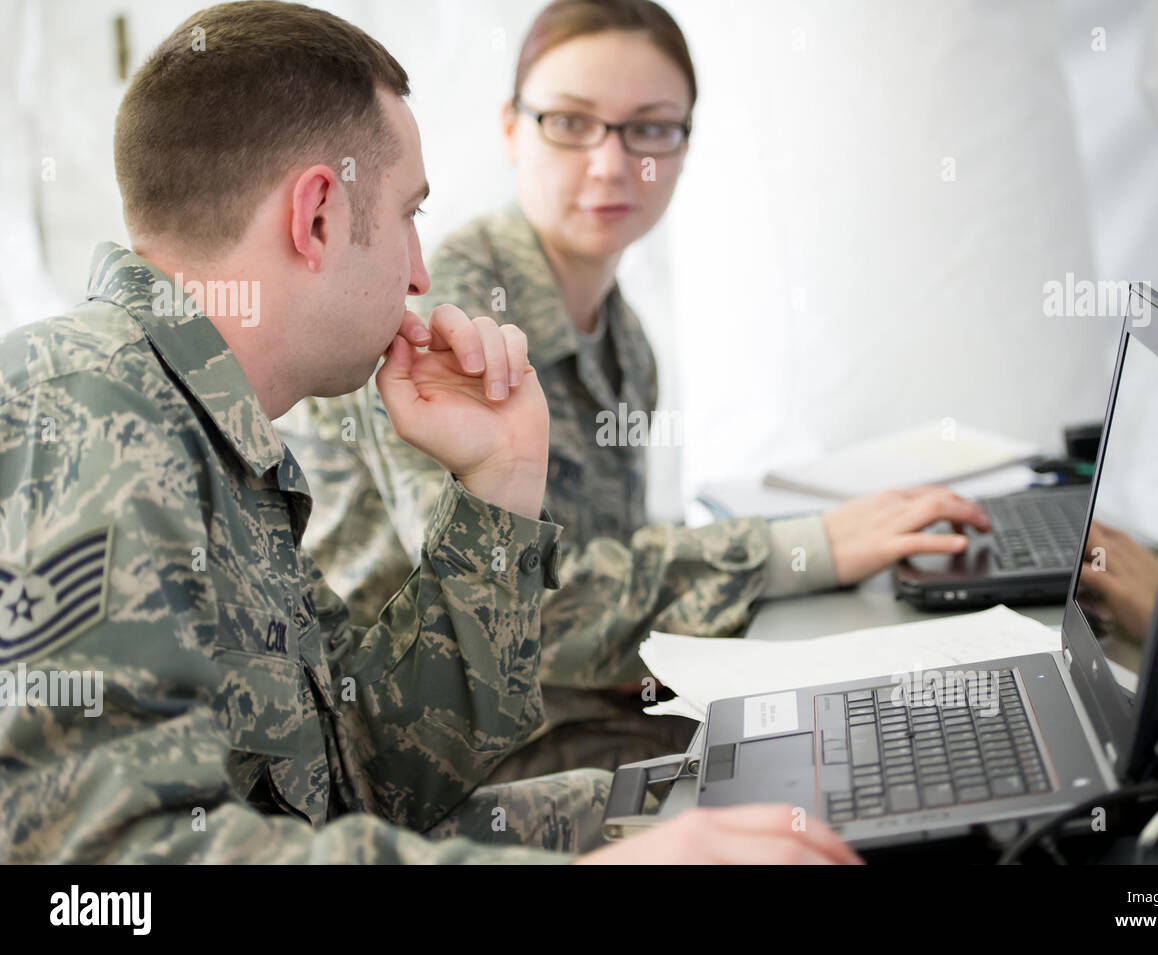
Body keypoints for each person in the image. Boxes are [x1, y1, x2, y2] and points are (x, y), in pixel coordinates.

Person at [0, 0, 858, 866]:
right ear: (318, 216)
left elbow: (371, 780)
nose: (419, 271)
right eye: (410, 213)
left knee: (765, 801)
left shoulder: (215, 436)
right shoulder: (84, 406)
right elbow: (107, 876)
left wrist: (501, 487)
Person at [283, 0, 992, 783]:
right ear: (513, 129)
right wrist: (807, 548)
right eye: (571, 122)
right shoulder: (447, 311)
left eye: (651, 128)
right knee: (824, 788)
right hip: (451, 757)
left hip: (591, 710)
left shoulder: (628, 345)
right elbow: (527, 616)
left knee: (893, 737)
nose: (612, 165)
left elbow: (602, 587)